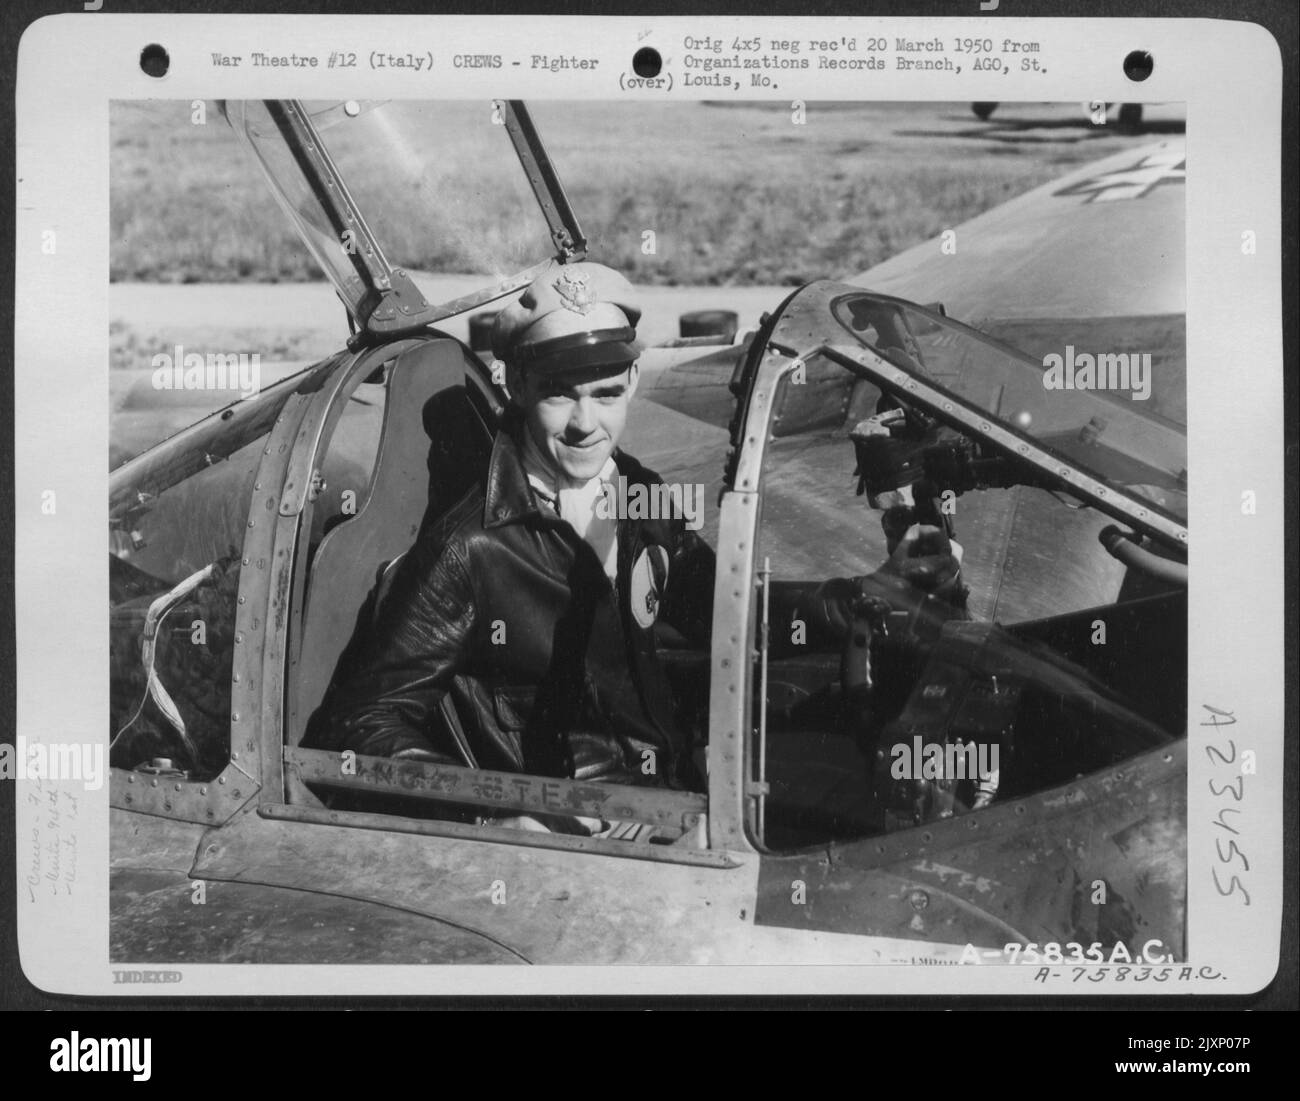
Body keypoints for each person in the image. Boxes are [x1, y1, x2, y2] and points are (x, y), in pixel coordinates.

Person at [307, 262, 962, 829]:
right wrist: (494, 815)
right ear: (515, 384)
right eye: (560, 395)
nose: (587, 425)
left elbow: (720, 605)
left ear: (635, 378)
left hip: (675, 786)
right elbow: (358, 726)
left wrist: (858, 602)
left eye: (607, 394)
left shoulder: (632, 489)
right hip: (592, 837)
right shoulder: (471, 548)